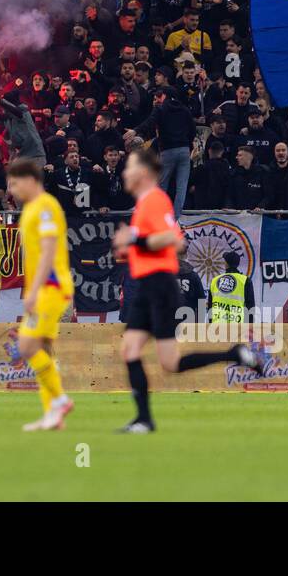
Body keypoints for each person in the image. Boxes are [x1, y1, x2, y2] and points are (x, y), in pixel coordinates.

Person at [112, 147, 261, 433]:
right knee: (135, 351)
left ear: (143, 173)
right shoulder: (145, 204)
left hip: (160, 285)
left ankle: (233, 354)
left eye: (129, 167)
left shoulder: (154, 200)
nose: (124, 173)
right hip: (147, 284)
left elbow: (174, 241)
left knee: (165, 361)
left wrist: (133, 239)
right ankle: (144, 420)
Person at [7, 158, 73, 432]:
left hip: (50, 288)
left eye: (14, 183)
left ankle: (59, 399)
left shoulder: (45, 206)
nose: (11, 189)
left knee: (25, 346)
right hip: (45, 287)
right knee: (43, 349)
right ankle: (52, 414)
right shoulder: (31, 209)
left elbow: (48, 249)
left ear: (30, 180)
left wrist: (32, 291)